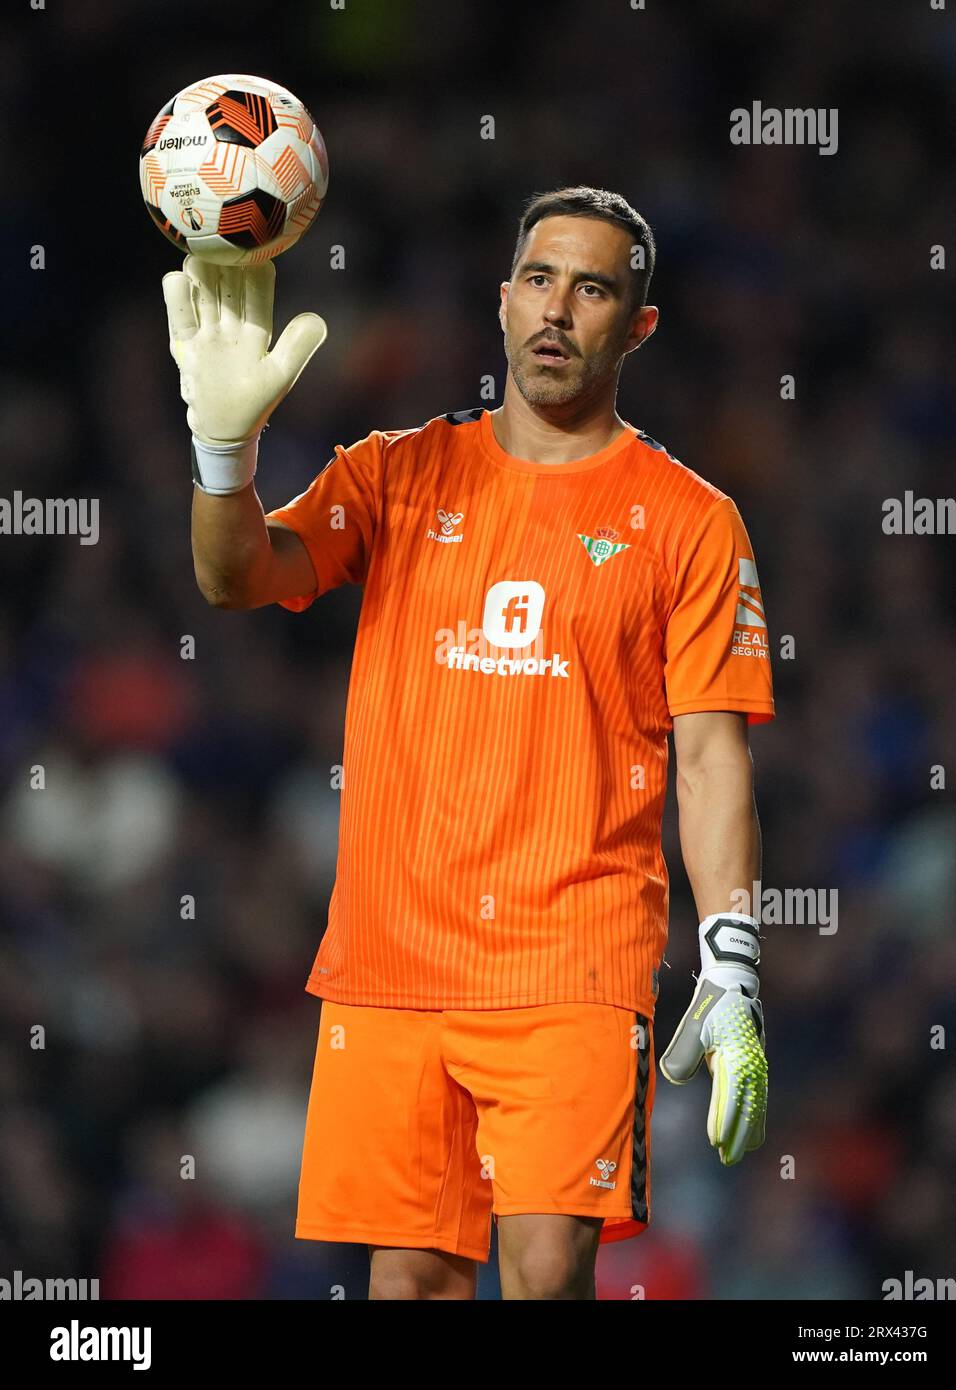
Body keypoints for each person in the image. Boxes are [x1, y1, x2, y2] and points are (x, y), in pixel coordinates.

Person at [162, 185, 774, 1301]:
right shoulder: (393, 472)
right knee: (408, 1281)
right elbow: (233, 573)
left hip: (572, 961)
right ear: (501, 303)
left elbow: (708, 753)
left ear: (633, 327)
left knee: (544, 1270)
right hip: (391, 961)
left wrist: (730, 952)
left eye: (592, 289)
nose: (557, 308)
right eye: (538, 279)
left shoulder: (689, 518)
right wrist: (221, 449)